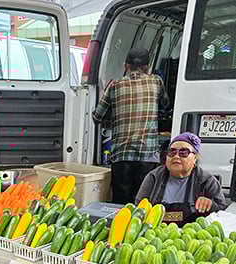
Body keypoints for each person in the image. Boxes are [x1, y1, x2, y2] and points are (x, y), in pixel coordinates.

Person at [92, 47, 168, 204]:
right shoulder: (156, 82)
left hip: (121, 155)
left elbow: (97, 116)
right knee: (144, 203)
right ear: (147, 67)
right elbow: (165, 104)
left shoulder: (114, 86)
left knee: (120, 205)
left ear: (125, 66)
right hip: (147, 154)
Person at [135, 132, 227, 225]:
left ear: (195, 158)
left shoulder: (206, 181)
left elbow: (222, 210)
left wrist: (210, 204)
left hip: (191, 234)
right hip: (155, 232)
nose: (176, 156)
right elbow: (139, 207)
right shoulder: (154, 177)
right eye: (172, 152)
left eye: (183, 152)